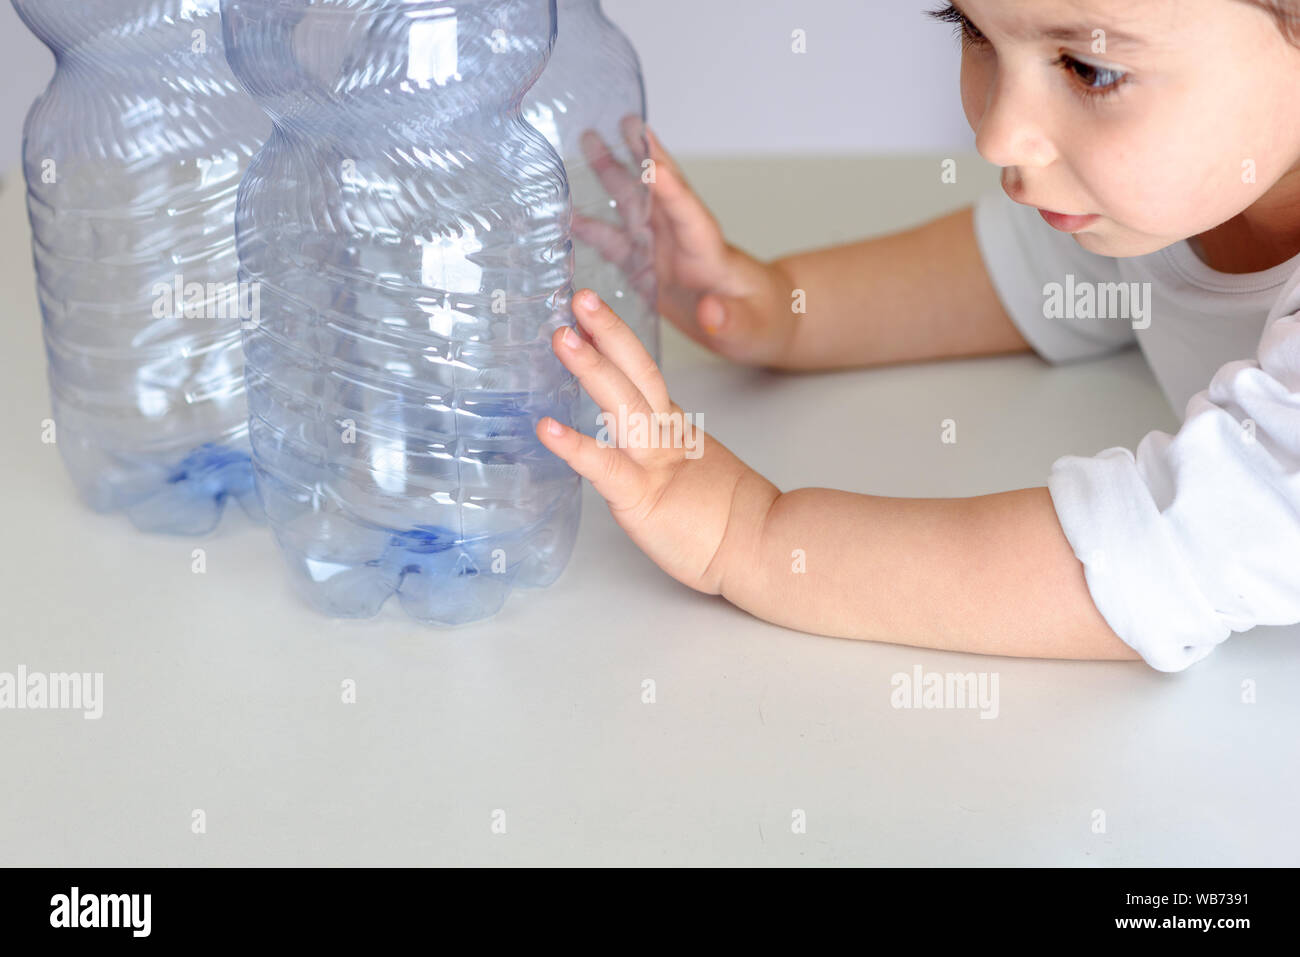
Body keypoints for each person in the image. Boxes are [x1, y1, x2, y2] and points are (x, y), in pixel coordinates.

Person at [534, 0, 1300, 672]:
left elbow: (1165, 557)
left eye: (1089, 69)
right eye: (972, 28)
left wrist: (753, 537)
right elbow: (1029, 273)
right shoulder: (1161, 197)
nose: (997, 136)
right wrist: (777, 305)